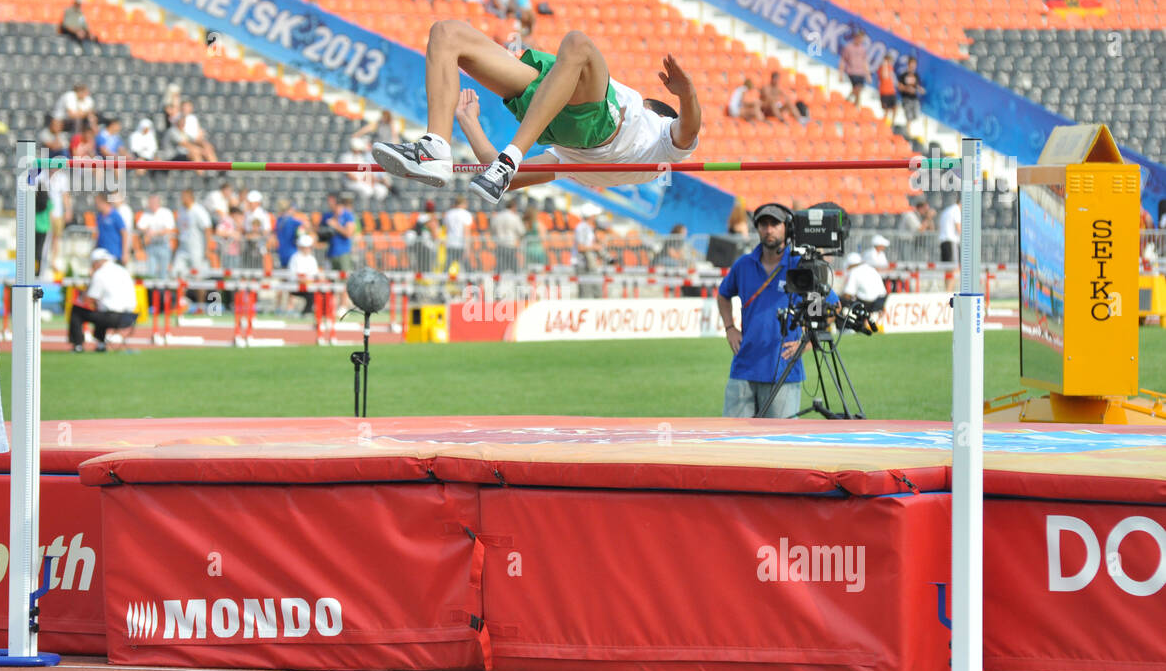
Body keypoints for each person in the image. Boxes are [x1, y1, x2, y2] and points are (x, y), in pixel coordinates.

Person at [372, 22, 701, 205]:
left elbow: (687, 128)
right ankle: (435, 146)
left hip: (594, 124)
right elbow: (502, 179)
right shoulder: (575, 165)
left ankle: (512, 153)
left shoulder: (658, 138)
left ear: (654, 112)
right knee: (447, 34)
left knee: (578, 43)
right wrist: (469, 124)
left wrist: (686, 94)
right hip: (553, 114)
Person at [716, 203, 837, 419]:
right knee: (732, 441)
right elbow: (723, 295)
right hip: (744, 368)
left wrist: (809, 342)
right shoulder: (743, 264)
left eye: (774, 224)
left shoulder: (802, 265)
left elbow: (830, 306)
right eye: (763, 224)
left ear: (787, 228)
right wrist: (729, 328)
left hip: (784, 370)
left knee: (781, 446)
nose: (768, 229)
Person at [69, 249, 137, 352]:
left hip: (112, 317)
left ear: (97, 262)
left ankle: (78, 345)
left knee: (76, 311)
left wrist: (89, 283)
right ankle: (101, 344)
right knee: (101, 309)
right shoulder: (123, 271)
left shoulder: (100, 274)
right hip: (130, 317)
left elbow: (88, 299)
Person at [173, 188, 212, 274]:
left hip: (196, 248)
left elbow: (208, 228)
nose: (182, 199)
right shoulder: (181, 210)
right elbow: (180, 229)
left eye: (183, 197)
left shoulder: (198, 210)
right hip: (183, 247)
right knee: (176, 273)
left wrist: (208, 248)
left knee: (197, 276)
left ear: (189, 197)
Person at [840, 252, 887, 322]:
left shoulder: (854, 271)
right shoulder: (871, 269)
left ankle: (844, 326)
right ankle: (873, 317)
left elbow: (847, 294)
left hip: (867, 302)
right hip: (881, 300)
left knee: (840, 301)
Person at [138, 194, 176, 280]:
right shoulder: (147, 213)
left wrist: (156, 233)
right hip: (152, 245)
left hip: (164, 245)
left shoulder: (166, 213)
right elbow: (140, 226)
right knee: (151, 273)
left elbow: (169, 229)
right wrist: (147, 231)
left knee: (163, 274)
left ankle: (163, 293)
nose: (152, 205)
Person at [320, 193, 358, 274]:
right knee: (331, 280)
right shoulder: (327, 215)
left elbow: (349, 233)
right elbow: (319, 232)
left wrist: (336, 226)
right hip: (330, 253)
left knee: (344, 279)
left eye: (331, 201)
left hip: (343, 254)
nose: (329, 204)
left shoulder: (348, 215)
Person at [93, 192, 129, 266]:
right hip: (102, 255)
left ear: (104, 202)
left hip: (114, 254)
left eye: (98, 202)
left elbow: (124, 233)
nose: (96, 205)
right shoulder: (99, 217)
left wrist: (125, 253)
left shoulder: (115, 215)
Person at [492, 200, 526, 273]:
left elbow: (492, 229)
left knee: (500, 265)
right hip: (510, 243)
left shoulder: (498, 216)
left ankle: (496, 281)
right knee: (514, 264)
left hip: (500, 244)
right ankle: (518, 280)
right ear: (513, 207)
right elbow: (521, 231)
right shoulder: (514, 217)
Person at [839, 30, 870, 106]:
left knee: (858, 92)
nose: (861, 40)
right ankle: (850, 101)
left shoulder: (862, 49)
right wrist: (841, 74)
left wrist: (868, 74)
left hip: (861, 72)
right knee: (858, 88)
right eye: (860, 38)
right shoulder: (848, 47)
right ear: (856, 38)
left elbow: (864, 62)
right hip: (852, 71)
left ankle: (854, 106)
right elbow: (843, 60)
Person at [443, 195, 474, 271]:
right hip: (461, 244)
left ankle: (441, 282)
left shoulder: (448, 214)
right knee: (467, 267)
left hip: (450, 243)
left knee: (447, 266)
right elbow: (466, 231)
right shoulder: (466, 214)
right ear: (463, 203)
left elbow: (446, 230)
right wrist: (467, 247)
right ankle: (472, 282)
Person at [897, 58, 925, 127]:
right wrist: (907, 89)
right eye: (912, 64)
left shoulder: (916, 75)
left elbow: (917, 85)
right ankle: (908, 132)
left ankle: (908, 129)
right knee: (908, 117)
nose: (913, 66)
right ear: (908, 64)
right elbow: (900, 87)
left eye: (914, 64)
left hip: (914, 98)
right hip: (906, 98)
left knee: (916, 116)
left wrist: (920, 90)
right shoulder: (903, 75)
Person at [876, 52, 898, 127]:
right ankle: (884, 125)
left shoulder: (891, 68)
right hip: (884, 91)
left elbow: (892, 79)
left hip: (891, 91)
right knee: (886, 110)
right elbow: (884, 76)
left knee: (895, 107)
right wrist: (885, 65)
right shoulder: (881, 68)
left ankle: (892, 123)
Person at [939, 194, 961, 263]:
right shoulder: (956, 210)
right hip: (951, 241)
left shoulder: (947, 210)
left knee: (947, 266)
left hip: (943, 241)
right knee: (954, 265)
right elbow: (958, 227)